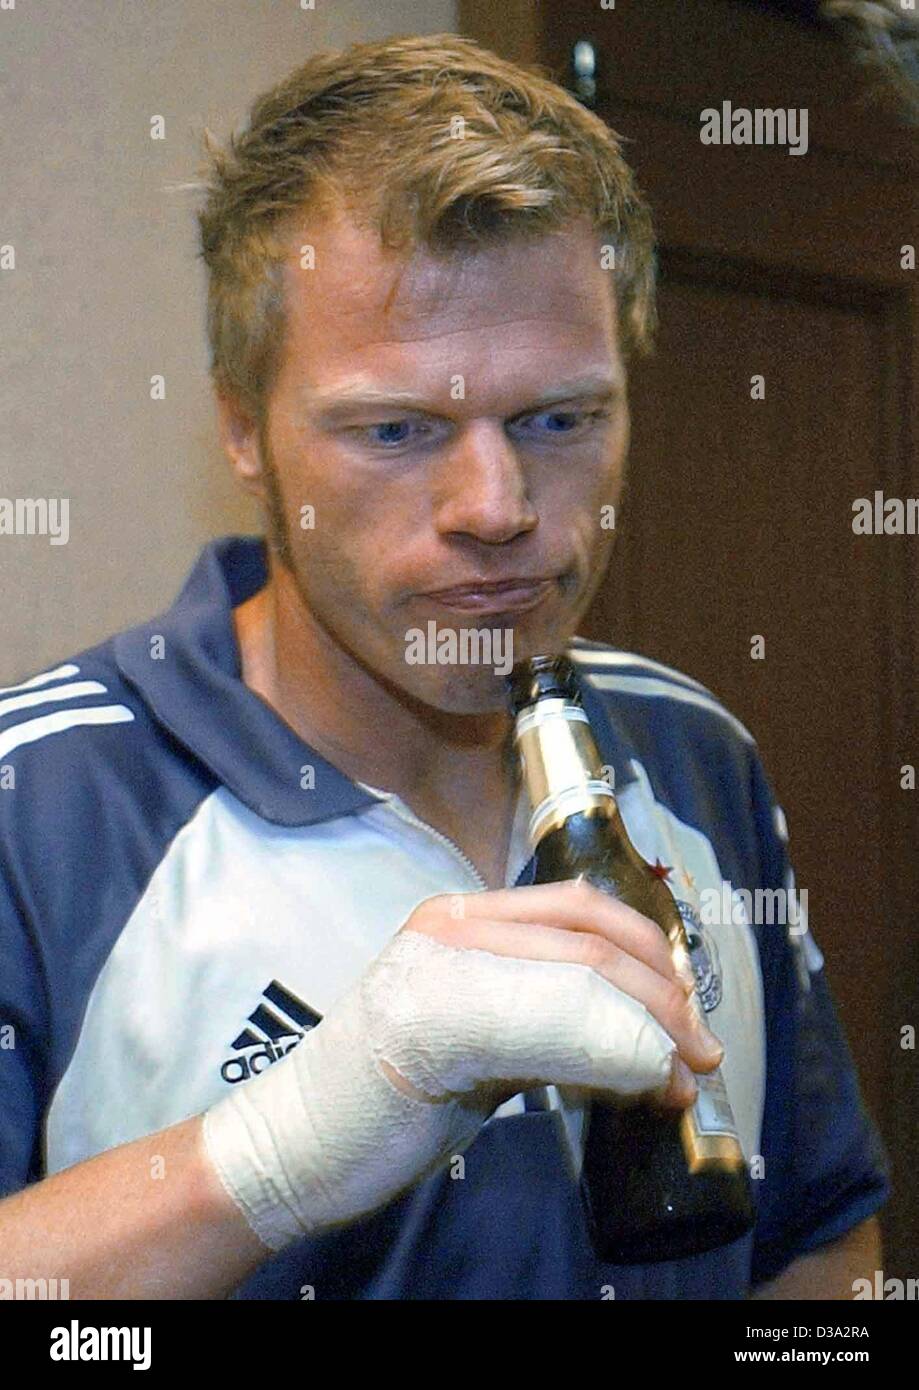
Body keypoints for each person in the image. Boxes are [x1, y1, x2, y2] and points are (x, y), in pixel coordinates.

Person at [0, 32, 889, 1300]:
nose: (496, 504)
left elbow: (819, 1234)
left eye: (559, 418)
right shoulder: (38, 806)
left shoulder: (693, 748)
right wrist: (279, 1154)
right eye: (397, 428)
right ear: (245, 429)